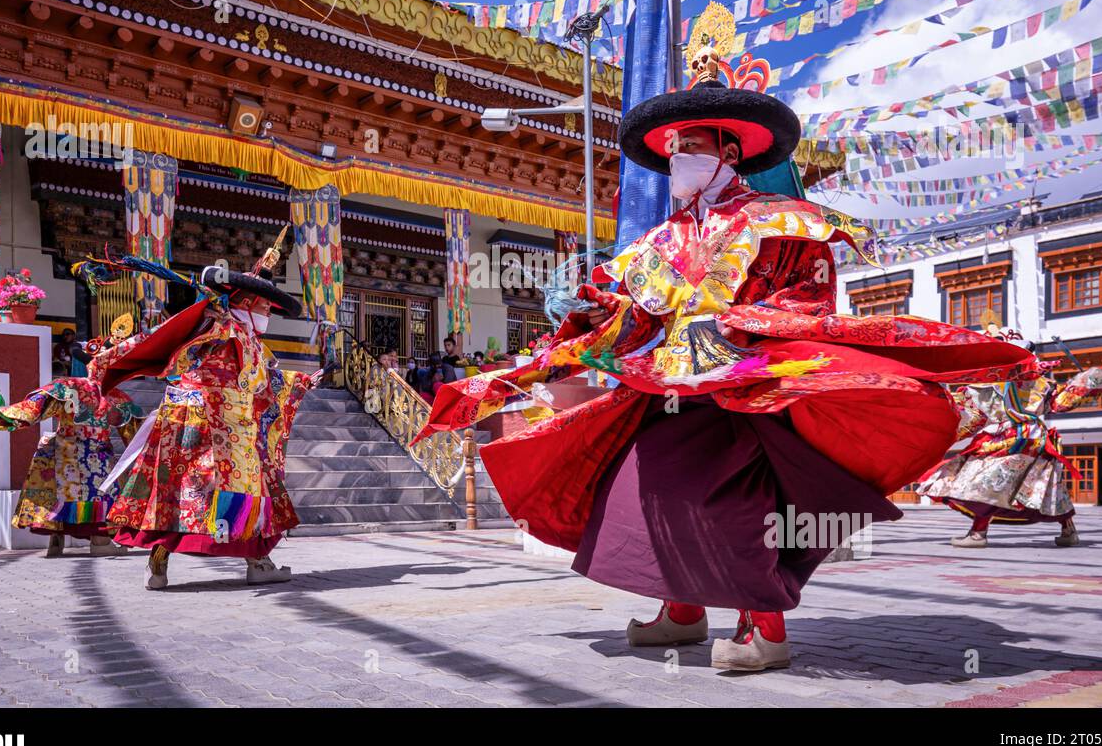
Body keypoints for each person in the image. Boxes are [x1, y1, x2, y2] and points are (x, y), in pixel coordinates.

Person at [417, 56, 1035, 673]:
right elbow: (633, 319)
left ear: (728, 153)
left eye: (690, 147)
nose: (677, 159)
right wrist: (590, 320)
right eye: (673, 148)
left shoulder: (788, 224)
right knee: (642, 495)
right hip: (662, 395)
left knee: (735, 510)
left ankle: (765, 630)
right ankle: (681, 612)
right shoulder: (657, 243)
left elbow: (809, 300)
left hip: (747, 393)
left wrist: (745, 324)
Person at [91, 229, 323, 589]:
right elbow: (170, 343)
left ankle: (161, 561)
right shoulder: (221, 327)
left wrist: (305, 381)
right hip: (216, 422)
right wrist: (110, 357)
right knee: (239, 488)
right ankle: (256, 561)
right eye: (264, 306)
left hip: (197, 418)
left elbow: (265, 382)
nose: (269, 313)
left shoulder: (242, 336)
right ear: (245, 302)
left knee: (176, 489)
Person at [918, 360, 1102, 548]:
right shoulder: (1035, 382)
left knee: (989, 483)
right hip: (1035, 439)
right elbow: (1062, 403)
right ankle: (1069, 531)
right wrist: (1087, 380)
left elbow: (974, 416)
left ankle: (978, 534)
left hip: (1014, 439)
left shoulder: (999, 384)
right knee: (1043, 486)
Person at [0, 380, 144, 557]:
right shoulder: (117, 396)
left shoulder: (66, 386)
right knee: (101, 495)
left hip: (66, 451)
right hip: (96, 454)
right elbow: (136, 434)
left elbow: (29, 411)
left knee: (58, 491)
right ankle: (100, 541)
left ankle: (57, 538)